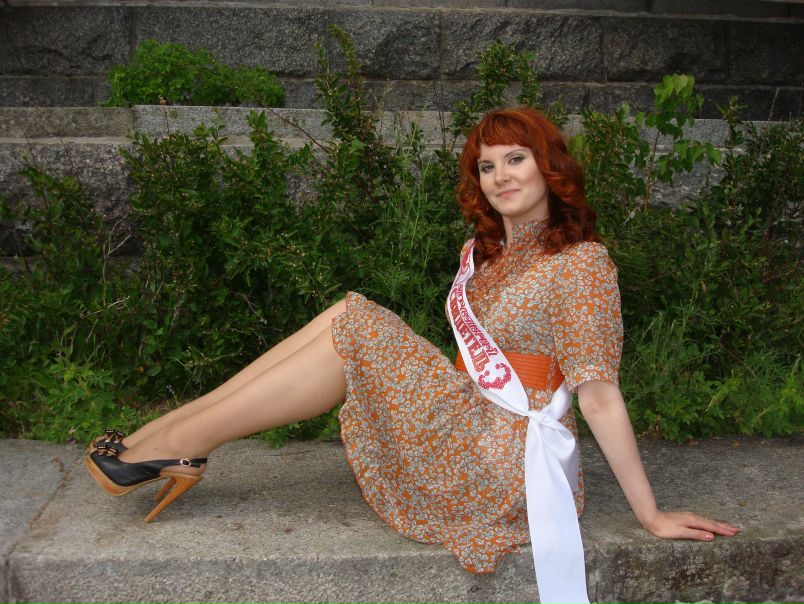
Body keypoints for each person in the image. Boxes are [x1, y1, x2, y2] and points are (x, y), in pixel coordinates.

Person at [86, 107, 738, 602]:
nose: (501, 176)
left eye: (516, 159)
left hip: (505, 463)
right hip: (469, 424)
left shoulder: (582, 263)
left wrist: (650, 514)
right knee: (347, 315)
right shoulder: (487, 258)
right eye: (486, 166)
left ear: (549, 168)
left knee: (355, 323)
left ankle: (177, 446)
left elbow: (597, 394)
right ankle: (170, 435)